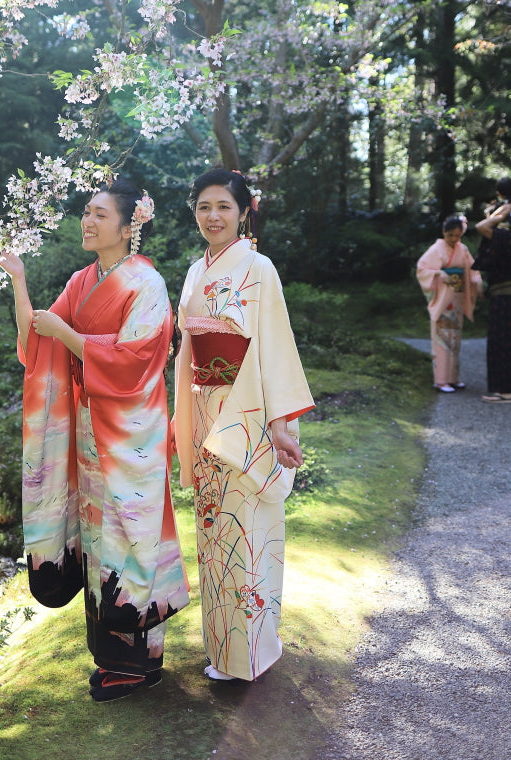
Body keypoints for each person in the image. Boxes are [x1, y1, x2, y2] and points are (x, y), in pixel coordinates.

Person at [0, 177, 190, 702]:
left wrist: (71, 337)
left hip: (130, 432)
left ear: (129, 226)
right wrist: (19, 281)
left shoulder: (147, 283)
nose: (89, 221)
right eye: (86, 212)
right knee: (99, 537)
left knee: (131, 533)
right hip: (88, 427)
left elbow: (137, 358)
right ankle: (114, 657)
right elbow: (37, 339)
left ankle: (140, 661)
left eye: (100, 214)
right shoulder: (83, 280)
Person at [172, 168, 314, 683]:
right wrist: (179, 416)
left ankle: (250, 652)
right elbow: (187, 349)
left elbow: (273, 344)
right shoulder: (194, 271)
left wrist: (279, 422)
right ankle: (225, 650)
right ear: (194, 211)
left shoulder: (259, 268)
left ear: (243, 212)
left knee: (245, 530)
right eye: (205, 206)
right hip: (202, 409)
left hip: (243, 411)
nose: (213, 216)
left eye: (224, 207)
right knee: (213, 533)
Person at [473, 178, 511, 403]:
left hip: (502, 297)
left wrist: (501, 212)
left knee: (499, 344)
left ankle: (503, 391)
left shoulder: (503, 237)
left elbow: (480, 227)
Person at [416, 215, 483, 392]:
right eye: (450, 235)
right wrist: (438, 274)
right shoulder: (436, 249)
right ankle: (440, 380)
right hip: (443, 296)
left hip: (458, 297)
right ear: (444, 233)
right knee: (442, 337)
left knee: (455, 339)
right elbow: (422, 269)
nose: (454, 239)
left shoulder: (463, 249)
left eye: (457, 236)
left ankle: (453, 378)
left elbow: (472, 269)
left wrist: (477, 281)